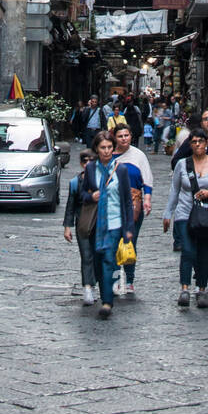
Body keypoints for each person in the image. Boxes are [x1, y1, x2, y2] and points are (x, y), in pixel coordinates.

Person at [163, 127, 208, 309]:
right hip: (185, 213)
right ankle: (184, 289)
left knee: (205, 251)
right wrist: (168, 214)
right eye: (194, 142)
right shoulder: (182, 165)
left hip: (206, 214)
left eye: (201, 141)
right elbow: (175, 190)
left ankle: (202, 289)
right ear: (189, 144)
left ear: (206, 143)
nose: (198, 144)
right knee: (189, 251)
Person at [172, 107, 208, 291]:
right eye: (206, 119)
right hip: (191, 206)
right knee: (194, 245)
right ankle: (199, 281)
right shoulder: (192, 143)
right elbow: (176, 163)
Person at [79, 131, 135, 319]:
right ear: (96, 149)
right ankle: (105, 295)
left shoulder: (121, 170)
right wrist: (91, 196)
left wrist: (128, 228)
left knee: (109, 261)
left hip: (114, 222)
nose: (107, 151)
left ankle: (107, 302)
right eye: (103, 148)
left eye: (110, 147)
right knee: (97, 261)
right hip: (96, 223)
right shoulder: (91, 168)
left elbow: (127, 200)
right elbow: (83, 195)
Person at [111, 122, 154, 297]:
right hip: (113, 203)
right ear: (115, 137)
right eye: (120, 136)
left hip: (134, 204)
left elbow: (147, 180)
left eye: (126, 135)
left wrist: (147, 200)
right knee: (113, 242)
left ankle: (129, 280)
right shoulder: (109, 154)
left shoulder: (138, 156)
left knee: (130, 241)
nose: (124, 139)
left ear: (131, 136)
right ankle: (114, 279)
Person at [62, 148, 98, 305]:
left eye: (91, 161)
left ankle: (95, 283)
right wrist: (67, 227)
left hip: (98, 222)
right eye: (85, 161)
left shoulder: (100, 180)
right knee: (86, 256)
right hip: (82, 223)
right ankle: (88, 287)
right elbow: (70, 206)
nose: (88, 164)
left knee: (97, 255)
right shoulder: (75, 182)